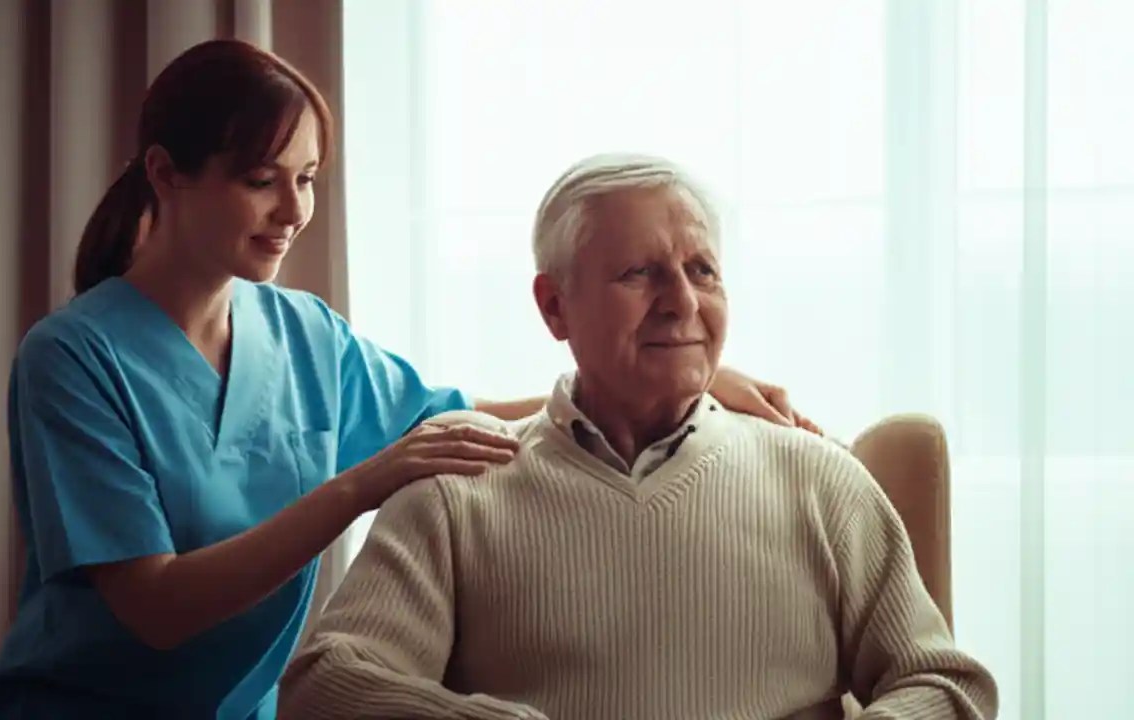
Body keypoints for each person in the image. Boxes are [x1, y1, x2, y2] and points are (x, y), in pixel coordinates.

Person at [0, 41, 814, 719]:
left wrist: (677, 378)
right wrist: (362, 485)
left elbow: (458, 419)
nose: (293, 212)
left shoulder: (303, 333)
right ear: (165, 173)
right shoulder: (71, 359)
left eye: (305, 180)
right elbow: (156, 609)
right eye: (261, 181)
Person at [278, 154, 999, 720]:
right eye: (640, 274)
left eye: (702, 271)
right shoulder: (459, 487)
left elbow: (943, 682)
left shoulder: (820, 480)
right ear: (554, 305)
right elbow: (325, 688)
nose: (682, 302)